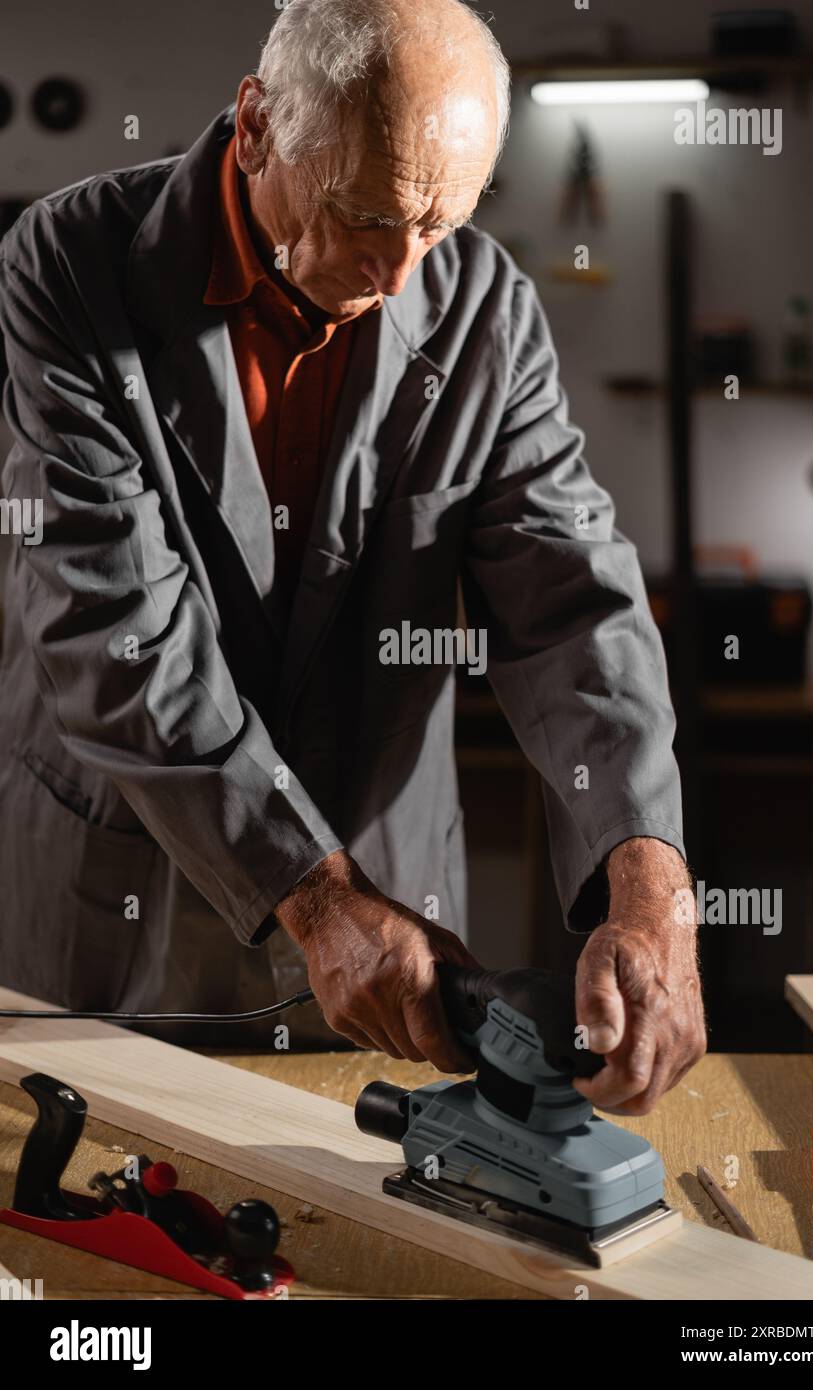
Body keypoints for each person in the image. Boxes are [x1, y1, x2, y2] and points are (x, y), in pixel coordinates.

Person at [0, 0, 705, 1113]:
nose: (397, 271)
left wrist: (646, 870)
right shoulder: (71, 268)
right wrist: (314, 900)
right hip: (131, 882)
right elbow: (112, 632)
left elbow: (570, 609)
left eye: (439, 223)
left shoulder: (486, 312)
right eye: (367, 215)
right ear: (256, 127)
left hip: (394, 913)